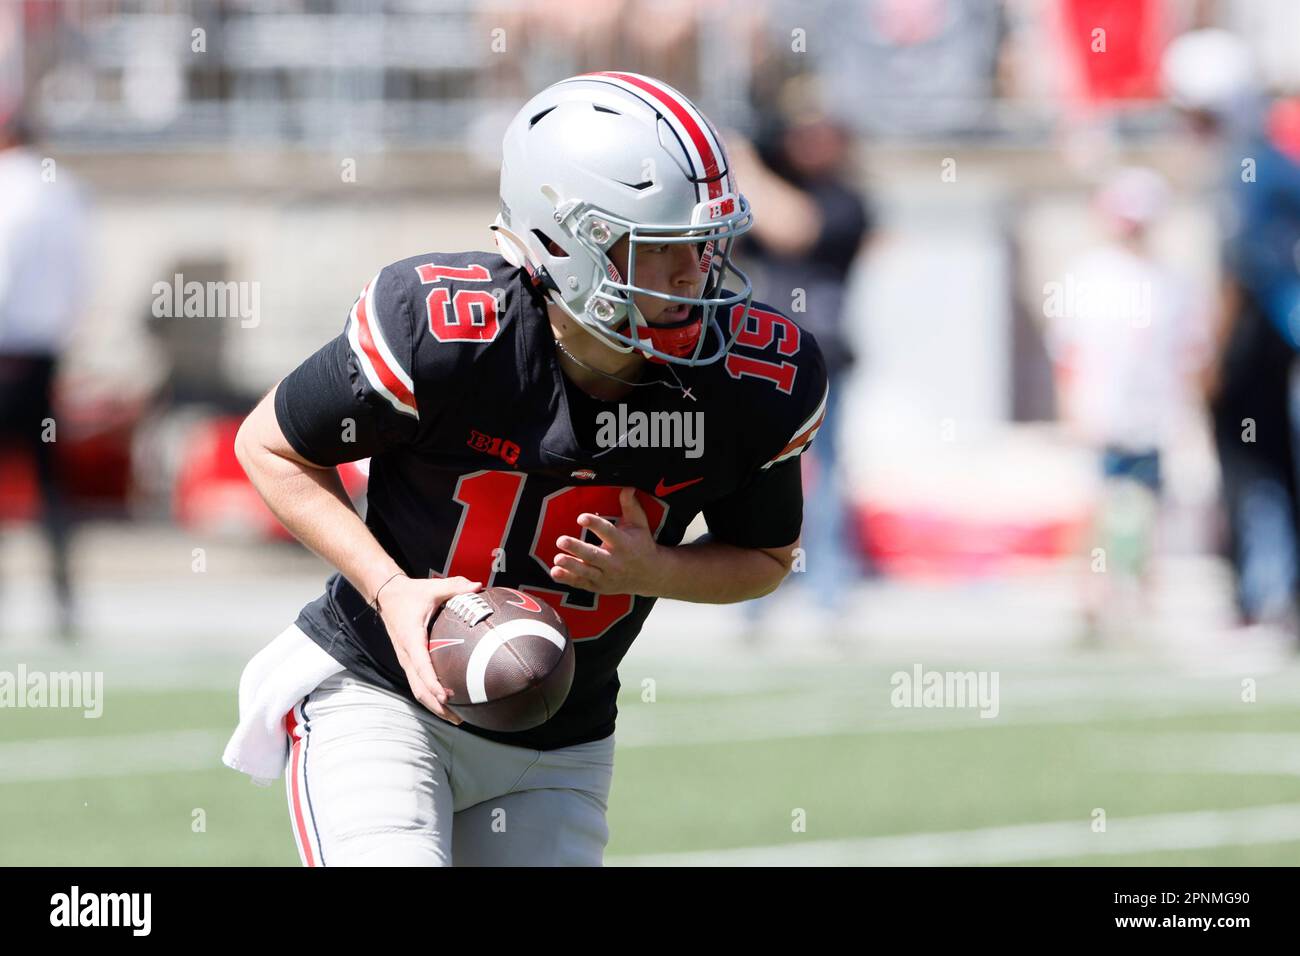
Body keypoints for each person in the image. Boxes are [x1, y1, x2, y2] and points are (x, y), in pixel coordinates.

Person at [223, 72, 828, 866]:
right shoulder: (444, 330)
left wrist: (656, 568)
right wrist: (392, 590)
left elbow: (766, 558)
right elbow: (270, 446)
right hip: (384, 694)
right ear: (563, 243)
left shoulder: (748, 381)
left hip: (560, 739)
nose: (695, 274)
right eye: (661, 245)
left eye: (705, 243)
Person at [1046, 167, 1206, 638]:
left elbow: (1188, 353)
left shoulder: (1173, 281)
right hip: (1101, 410)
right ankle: (1091, 599)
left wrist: (1186, 411)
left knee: (1150, 508)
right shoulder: (1088, 274)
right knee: (1097, 505)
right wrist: (1072, 407)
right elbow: (1068, 350)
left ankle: (1142, 599)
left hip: (1154, 413)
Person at [0, 105, 87, 640]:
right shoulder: (66, 192)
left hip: (6, 349)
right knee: (50, 484)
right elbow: (83, 276)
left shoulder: (9, 187)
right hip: (45, 354)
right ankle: (63, 600)